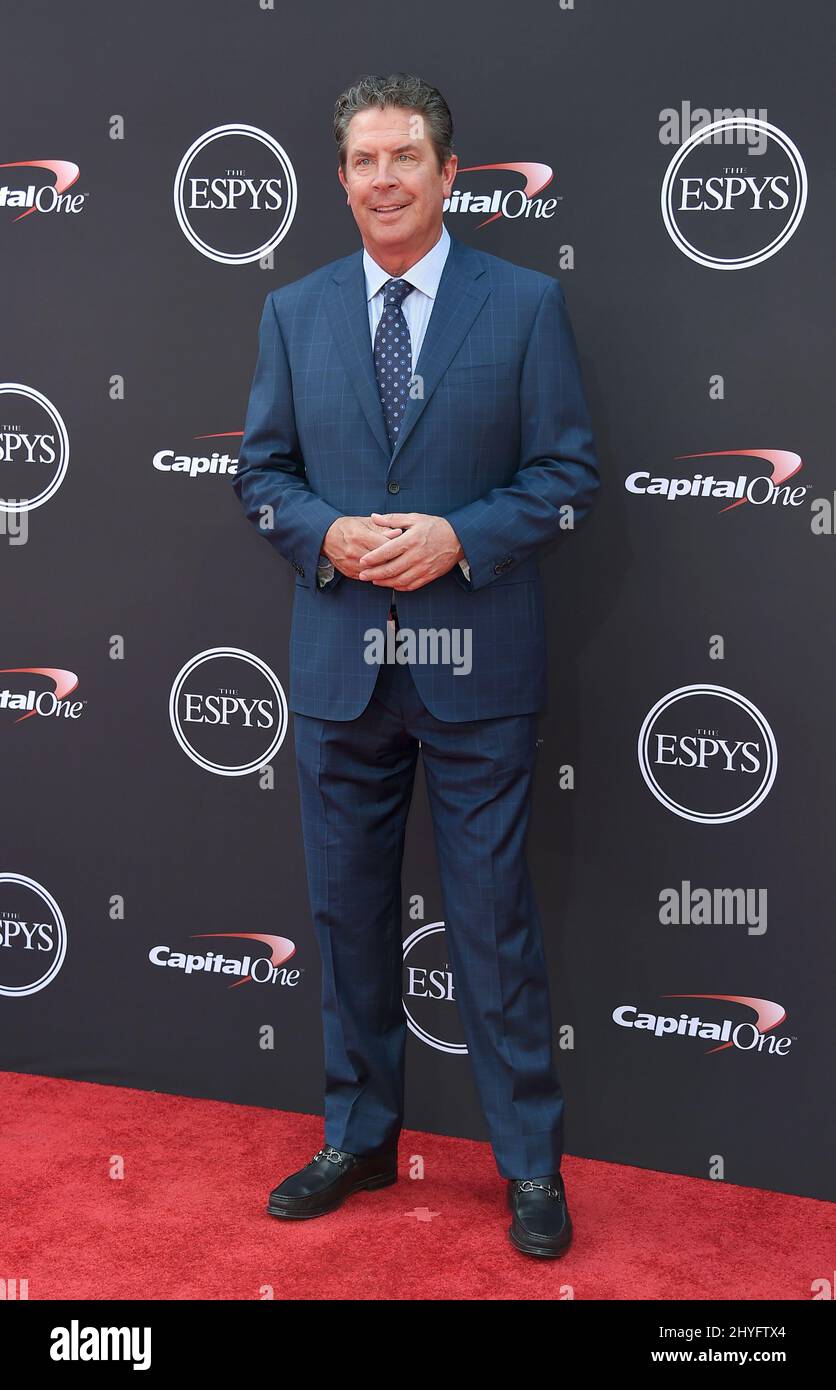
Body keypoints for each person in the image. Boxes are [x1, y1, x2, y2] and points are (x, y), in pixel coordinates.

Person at [232, 72, 599, 1259]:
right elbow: (261, 474)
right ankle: (359, 1136)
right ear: (339, 182)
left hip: (477, 664)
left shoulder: (526, 304)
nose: (383, 178)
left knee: (491, 925)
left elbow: (564, 475)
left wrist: (460, 536)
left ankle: (529, 1169)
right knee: (345, 917)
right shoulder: (292, 312)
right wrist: (323, 534)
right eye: (364, 161)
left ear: (449, 172)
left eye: (405, 157)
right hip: (341, 662)